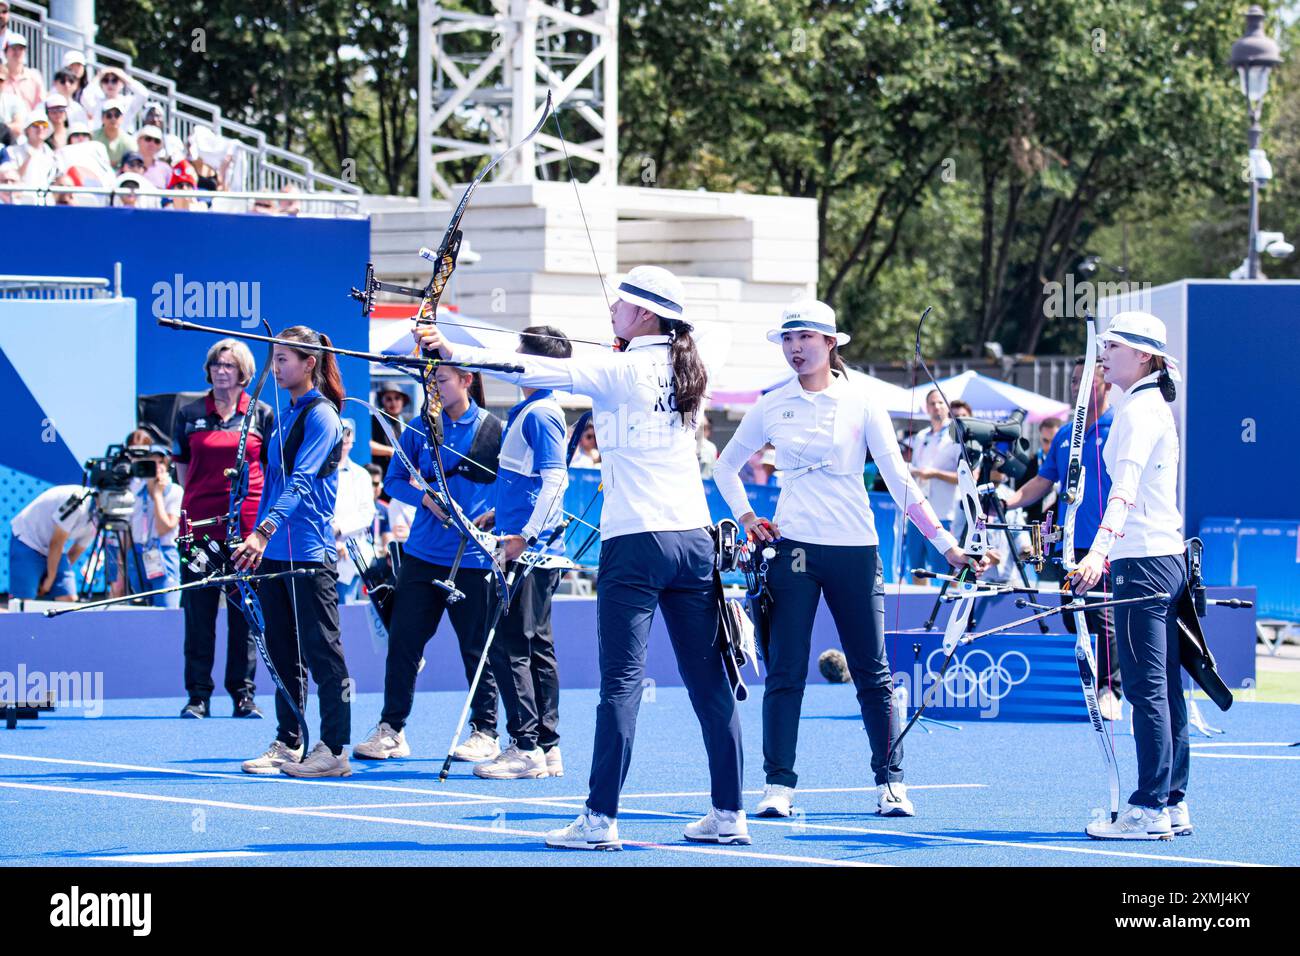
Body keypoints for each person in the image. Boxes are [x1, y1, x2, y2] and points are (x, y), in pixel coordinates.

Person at [416, 265, 747, 851]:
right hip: (694, 541)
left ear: (645, 313)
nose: (611, 309)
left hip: (638, 544)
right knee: (709, 681)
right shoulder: (694, 363)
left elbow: (532, 366)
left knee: (620, 685)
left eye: (621, 303)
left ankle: (600, 820)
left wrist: (450, 345)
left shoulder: (620, 369)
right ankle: (729, 813)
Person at [713, 300, 990, 821]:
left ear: (831, 343)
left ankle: (891, 782)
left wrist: (948, 546)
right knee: (786, 672)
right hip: (792, 551)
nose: (795, 348)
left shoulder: (862, 400)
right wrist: (748, 517)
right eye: (788, 339)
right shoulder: (771, 403)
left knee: (872, 673)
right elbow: (725, 467)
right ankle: (778, 786)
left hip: (857, 550)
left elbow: (901, 480)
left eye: (806, 338)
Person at [1070, 313, 1190, 841]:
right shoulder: (1145, 406)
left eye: (1113, 346)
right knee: (1164, 691)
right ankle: (1171, 801)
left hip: (1142, 563)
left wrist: (1098, 552)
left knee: (1146, 689)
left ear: (1143, 356)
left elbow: (1125, 491)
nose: (1104, 355)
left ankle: (1147, 809)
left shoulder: (1139, 411)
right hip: (1164, 559)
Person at [352, 364, 506, 765]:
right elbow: (394, 481)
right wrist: (424, 498)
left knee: (476, 647)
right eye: (429, 382)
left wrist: (494, 514)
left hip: (472, 557)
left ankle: (486, 730)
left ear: (466, 380)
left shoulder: (494, 429)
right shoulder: (421, 427)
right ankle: (392, 729)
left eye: (441, 380)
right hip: (421, 555)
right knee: (403, 643)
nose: (433, 388)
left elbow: (513, 485)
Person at [234, 326, 348, 778]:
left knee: (323, 653)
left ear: (309, 364)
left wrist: (262, 531)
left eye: (284, 359)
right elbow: (271, 486)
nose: (276, 367)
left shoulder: (322, 416)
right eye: (274, 358)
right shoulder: (281, 415)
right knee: (281, 651)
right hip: (275, 553)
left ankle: (334, 749)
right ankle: (288, 741)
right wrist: (255, 539)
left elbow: (301, 482)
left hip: (308, 551)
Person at [472, 326, 573, 781]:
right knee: (535, 646)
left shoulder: (540, 414)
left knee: (512, 645)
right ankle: (546, 746)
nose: (514, 360)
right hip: (526, 543)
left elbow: (556, 480)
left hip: (530, 552)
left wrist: (525, 536)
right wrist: (501, 513)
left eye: (520, 354)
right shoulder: (530, 411)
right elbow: (528, 480)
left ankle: (526, 745)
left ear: (539, 363)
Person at [1004, 357, 1122, 719]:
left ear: (1105, 384)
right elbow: (1044, 480)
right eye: (1073, 382)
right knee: (1073, 615)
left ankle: (1109, 689)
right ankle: (1086, 685)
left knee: (1101, 615)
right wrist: (1009, 500)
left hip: (1107, 540)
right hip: (1069, 542)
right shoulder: (1066, 434)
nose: (1076, 387)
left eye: (1084, 380)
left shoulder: (1118, 424)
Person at [172, 339, 273, 719]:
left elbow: (269, 470)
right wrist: (201, 499)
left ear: (244, 373)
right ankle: (198, 695)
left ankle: (243, 694)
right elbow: (183, 469)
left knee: (244, 613)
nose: (220, 370)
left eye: (229, 365)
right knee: (198, 613)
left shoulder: (261, 413)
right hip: (198, 529)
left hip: (246, 530)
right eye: (216, 363)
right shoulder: (189, 411)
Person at [106, 430, 184, 607]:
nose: (155, 467)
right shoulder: (134, 489)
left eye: (159, 462)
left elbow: (166, 527)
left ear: (166, 464)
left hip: (162, 553)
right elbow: (127, 529)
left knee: (167, 610)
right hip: (137, 553)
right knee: (140, 613)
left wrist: (156, 494)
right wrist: (119, 572)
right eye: (150, 462)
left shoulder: (174, 491)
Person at [901, 388, 962, 584]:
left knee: (948, 569)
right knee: (917, 569)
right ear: (926, 407)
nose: (936, 407)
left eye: (940, 403)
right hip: (919, 512)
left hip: (943, 513)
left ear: (947, 406)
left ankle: (952, 609)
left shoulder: (956, 436)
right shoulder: (921, 436)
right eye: (932, 403)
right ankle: (921, 608)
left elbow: (965, 477)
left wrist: (934, 474)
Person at [8, 485, 96, 601]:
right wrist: (50, 578)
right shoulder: (77, 502)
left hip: (54, 549)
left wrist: (53, 577)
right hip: (28, 540)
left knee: (68, 599)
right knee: (23, 603)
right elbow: (56, 542)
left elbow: (74, 552)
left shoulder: (100, 519)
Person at [331, 418, 376, 605]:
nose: (343, 439)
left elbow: (366, 514)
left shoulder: (361, 475)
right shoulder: (316, 473)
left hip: (351, 557)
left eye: (347, 434)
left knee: (347, 610)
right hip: (322, 553)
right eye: (339, 434)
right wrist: (329, 539)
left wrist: (339, 530)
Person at [368, 384, 410, 471]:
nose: (393, 403)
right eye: (388, 399)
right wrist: (390, 451)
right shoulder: (374, 420)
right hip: (380, 475)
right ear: (381, 401)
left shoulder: (407, 423)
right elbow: (366, 445)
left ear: (403, 401)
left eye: (397, 398)